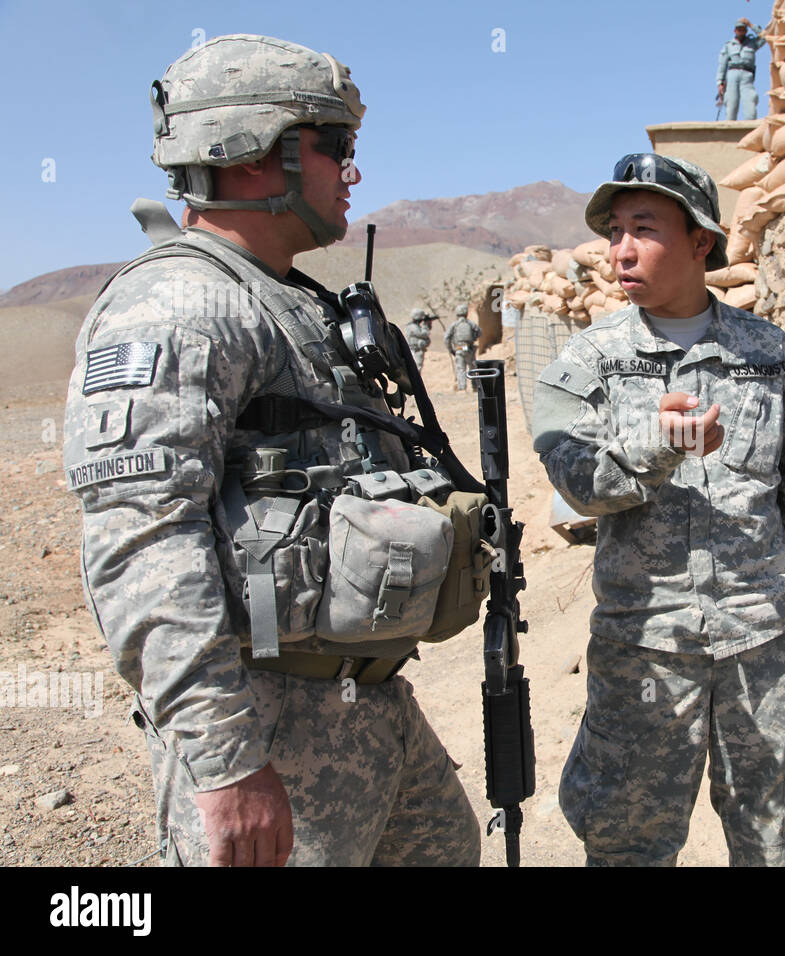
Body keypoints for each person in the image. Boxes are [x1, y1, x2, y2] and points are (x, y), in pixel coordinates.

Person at [62, 34, 479, 867]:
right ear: (260, 152)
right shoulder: (180, 303)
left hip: (364, 706)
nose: (350, 172)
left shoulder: (288, 299)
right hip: (270, 731)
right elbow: (141, 541)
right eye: (337, 146)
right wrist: (227, 763)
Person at [531, 153, 785, 866]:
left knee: (772, 837)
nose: (621, 249)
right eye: (614, 231)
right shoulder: (590, 361)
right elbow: (577, 482)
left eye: (643, 229)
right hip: (646, 652)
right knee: (627, 844)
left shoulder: (769, 354)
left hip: (764, 646)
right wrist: (657, 445)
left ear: (700, 242)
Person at [717, 18, 766, 121]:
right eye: (739, 29)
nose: (741, 31)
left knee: (750, 107)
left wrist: (751, 24)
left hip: (747, 75)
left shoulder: (752, 43)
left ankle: (750, 133)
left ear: (746, 30)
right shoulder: (729, 45)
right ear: (735, 31)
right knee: (731, 106)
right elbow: (722, 64)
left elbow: (765, 37)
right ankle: (729, 133)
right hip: (732, 75)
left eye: (743, 29)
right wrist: (720, 82)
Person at [444, 304, 480, 391]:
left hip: (459, 348)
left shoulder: (455, 325)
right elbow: (479, 332)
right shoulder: (470, 323)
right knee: (472, 368)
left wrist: (451, 349)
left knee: (461, 369)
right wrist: (474, 338)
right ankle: (474, 387)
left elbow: (446, 338)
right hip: (469, 349)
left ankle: (462, 388)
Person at [405, 306, 435, 371]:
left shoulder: (416, 326)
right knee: (416, 369)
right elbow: (424, 334)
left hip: (417, 351)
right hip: (415, 351)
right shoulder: (412, 327)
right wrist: (425, 325)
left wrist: (428, 324)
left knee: (417, 368)